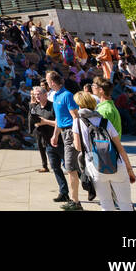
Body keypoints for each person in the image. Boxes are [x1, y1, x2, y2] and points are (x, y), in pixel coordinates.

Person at [72, 91, 136, 210]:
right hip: (117, 165)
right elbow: (120, 148)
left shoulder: (77, 122)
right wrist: (130, 169)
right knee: (125, 204)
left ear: (80, 105)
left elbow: (78, 147)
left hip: (96, 167)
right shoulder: (105, 121)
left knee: (106, 203)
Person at [47, 70, 84, 212]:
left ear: (52, 82)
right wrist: (55, 135)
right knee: (71, 167)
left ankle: (76, 202)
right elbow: (58, 119)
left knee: (70, 167)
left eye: (47, 80)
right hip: (63, 132)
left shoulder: (67, 95)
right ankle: (76, 200)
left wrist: (76, 137)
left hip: (70, 132)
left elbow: (75, 116)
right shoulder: (56, 95)